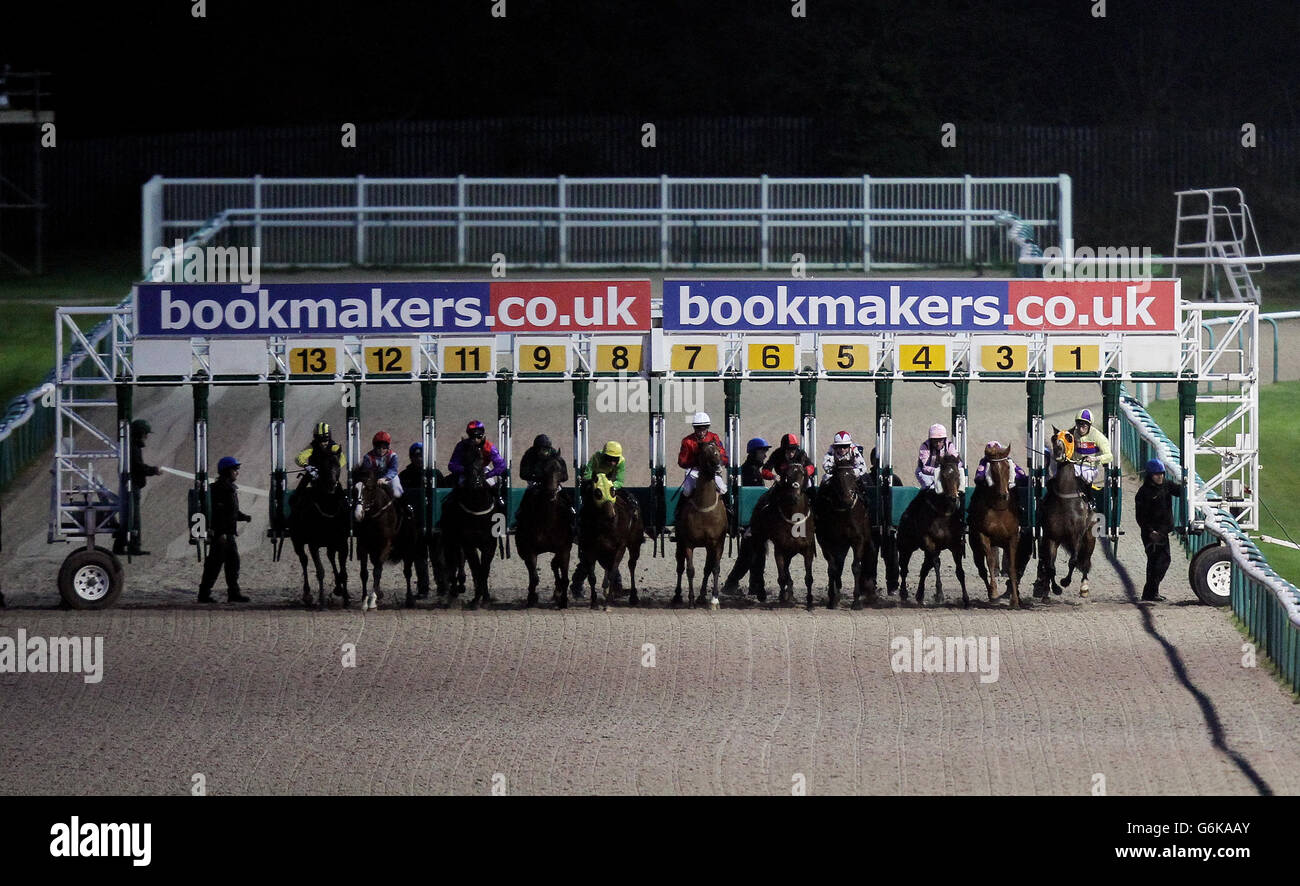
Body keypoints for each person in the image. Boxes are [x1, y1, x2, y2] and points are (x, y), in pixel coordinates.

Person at [198, 456, 253, 603]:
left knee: (233, 564)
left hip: (227, 534)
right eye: (235, 469)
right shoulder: (220, 489)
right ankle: (204, 594)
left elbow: (231, 511)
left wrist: (243, 516)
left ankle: (233, 593)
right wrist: (220, 533)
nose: (237, 472)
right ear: (226, 471)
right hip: (221, 535)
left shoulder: (228, 488)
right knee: (214, 565)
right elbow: (218, 513)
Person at [114, 418, 161, 556]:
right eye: (145, 433)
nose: (146, 436)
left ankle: (121, 545)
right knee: (133, 517)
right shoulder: (133, 448)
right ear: (139, 433)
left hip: (132, 485)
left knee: (129, 516)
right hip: (132, 486)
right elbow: (138, 467)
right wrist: (154, 470)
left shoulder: (132, 447)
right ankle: (133, 546)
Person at [1134, 458, 1175, 603]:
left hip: (1163, 533)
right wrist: (1151, 532)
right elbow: (1140, 517)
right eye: (1156, 474)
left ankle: (1151, 592)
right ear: (1150, 475)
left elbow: (1180, 491)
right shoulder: (1143, 493)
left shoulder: (1167, 486)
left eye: (1162, 474)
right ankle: (1150, 593)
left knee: (1161, 561)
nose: (1160, 477)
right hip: (1151, 534)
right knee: (1156, 562)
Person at [447, 420, 508, 510]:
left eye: (478, 436)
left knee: (493, 486)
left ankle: (498, 501)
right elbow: (452, 464)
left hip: (483, 470)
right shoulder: (461, 445)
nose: (475, 440)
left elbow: (501, 465)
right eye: (472, 436)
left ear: (482, 434)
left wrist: (487, 475)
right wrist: (466, 470)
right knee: (456, 492)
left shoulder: (489, 447)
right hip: (466, 471)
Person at [399, 443, 433, 597]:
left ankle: (443, 587)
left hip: (433, 525)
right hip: (414, 526)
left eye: (421, 456)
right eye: (416, 456)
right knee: (419, 558)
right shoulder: (404, 476)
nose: (419, 459)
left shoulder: (434, 474)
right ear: (411, 457)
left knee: (438, 559)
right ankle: (423, 589)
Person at [678, 412, 729, 499]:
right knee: (687, 491)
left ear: (707, 428)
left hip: (711, 471)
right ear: (694, 428)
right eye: (698, 429)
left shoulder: (714, 437)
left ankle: (729, 510)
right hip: (693, 472)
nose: (701, 433)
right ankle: (678, 511)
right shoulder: (687, 441)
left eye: (704, 429)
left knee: (723, 489)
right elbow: (682, 462)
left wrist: (720, 461)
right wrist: (696, 461)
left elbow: (723, 454)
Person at [1069, 408, 1113, 504]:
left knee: (1085, 477)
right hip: (1074, 465)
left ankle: (1089, 500)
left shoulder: (1098, 437)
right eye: (1079, 424)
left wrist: (1095, 458)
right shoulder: (1072, 433)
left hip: (1089, 468)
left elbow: (1109, 456)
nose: (1081, 429)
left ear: (1089, 425)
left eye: (1084, 425)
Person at [294, 421, 346, 497]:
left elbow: (343, 459)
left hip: (330, 476)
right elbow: (298, 458)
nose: (323, 443)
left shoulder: (334, 447)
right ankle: (295, 500)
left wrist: (333, 469)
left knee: (342, 496)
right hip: (314, 474)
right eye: (320, 440)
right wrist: (307, 466)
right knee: (297, 494)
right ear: (316, 438)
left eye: (325, 439)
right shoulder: (312, 447)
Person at [915, 423, 962, 490]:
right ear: (931, 440)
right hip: (926, 474)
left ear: (944, 439)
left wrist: (951, 470)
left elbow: (958, 462)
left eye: (940, 440)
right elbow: (924, 467)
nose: (938, 444)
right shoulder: (925, 446)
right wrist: (939, 471)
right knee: (931, 487)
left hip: (943, 472)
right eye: (935, 440)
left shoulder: (949, 445)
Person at [359, 431, 403, 498]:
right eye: (378, 447)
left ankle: (403, 507)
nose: (381, 450)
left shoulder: (393, 456)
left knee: (397, 492)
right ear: (374, 447)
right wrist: (373, 480)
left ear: (388, 447)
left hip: (390, 478)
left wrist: (384, 478)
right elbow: (367, 471)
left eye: (384, 447)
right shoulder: (368, 457)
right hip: (373, 479)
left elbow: (393, 470)